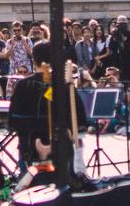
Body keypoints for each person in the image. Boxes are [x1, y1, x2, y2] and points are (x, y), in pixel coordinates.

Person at [8, 40, 87, 168]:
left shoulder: (21, 85)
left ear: (34, 60)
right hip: (59, 153)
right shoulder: (63, 86)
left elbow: (13, 121)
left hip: (28, 149)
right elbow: (80, 120)